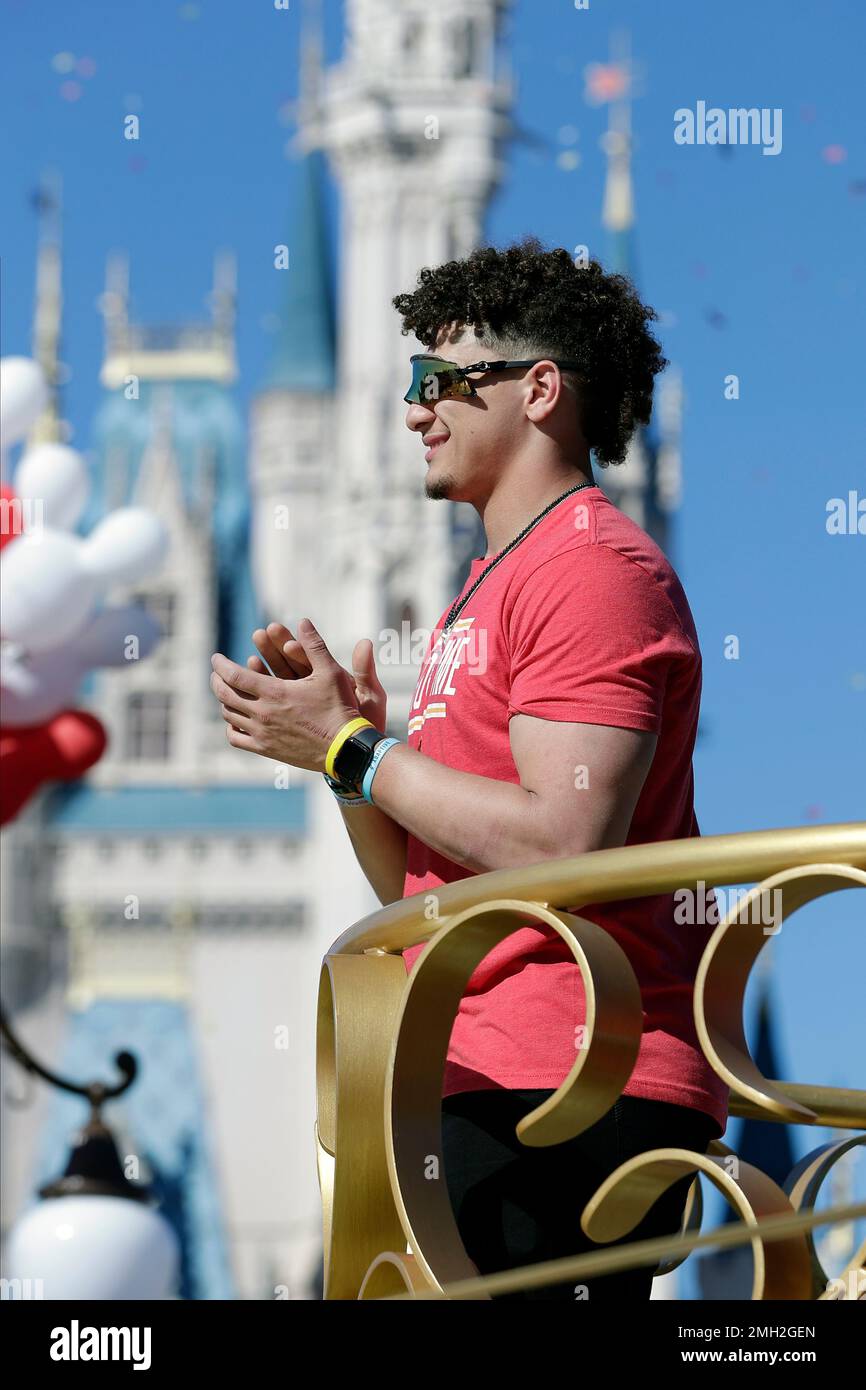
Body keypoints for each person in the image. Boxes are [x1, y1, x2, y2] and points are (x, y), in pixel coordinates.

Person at [209, 236, 729, 1300]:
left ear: (539, 391)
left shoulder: (590, 569)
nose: (414, 409)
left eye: (439, 380)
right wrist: (347, 763)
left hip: (568, 1079)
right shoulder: (484, 592)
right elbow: (425, 886)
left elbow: (559, 841)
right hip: (465, 1064)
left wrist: (359, 748)